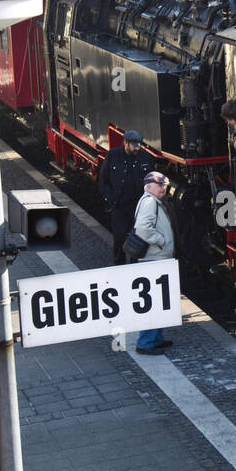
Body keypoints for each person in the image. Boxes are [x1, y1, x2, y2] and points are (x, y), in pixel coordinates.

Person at [132, 171, 175, 355]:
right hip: (153, 259)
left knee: (159, 301)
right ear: (149, 187)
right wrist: (161, 240)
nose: (163, 189)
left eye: (164, 186)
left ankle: (156, 338)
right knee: (153, 303)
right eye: (160, 186)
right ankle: (145, 343)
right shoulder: (149, 202)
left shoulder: (151, 201)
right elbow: (142, 229)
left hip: (157, 258)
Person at [97, 129, 155, 264]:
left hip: (139, 207)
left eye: (139, 144)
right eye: (134, 145)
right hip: (120, 205)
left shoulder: (145, 157)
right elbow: (103, 178)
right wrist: (109, 197)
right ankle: (119, 264)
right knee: (120, 236)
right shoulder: (113, 155)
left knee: (139, 239)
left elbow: (152, 179)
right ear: (125, 143)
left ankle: (135, 266)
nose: (137, 148)